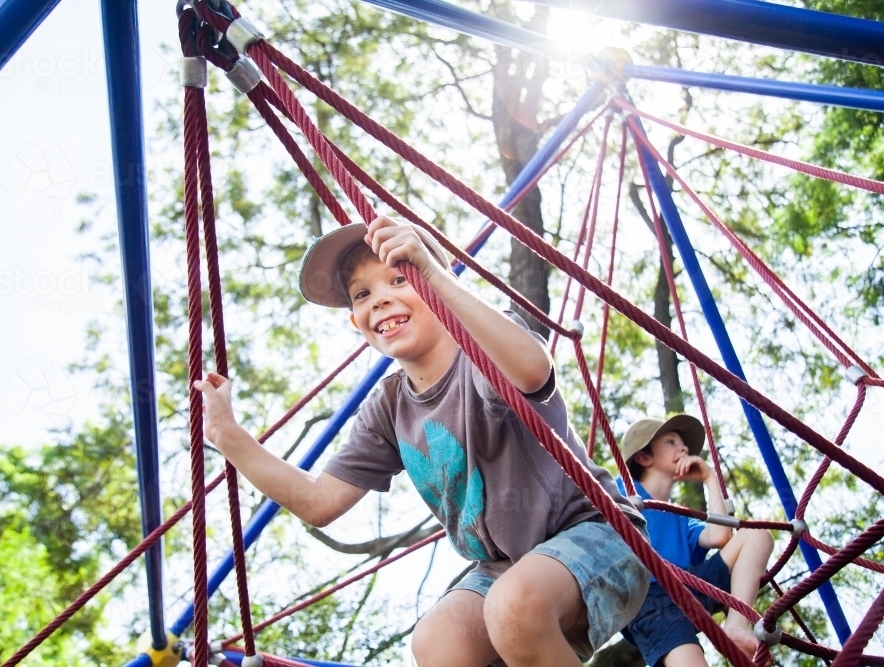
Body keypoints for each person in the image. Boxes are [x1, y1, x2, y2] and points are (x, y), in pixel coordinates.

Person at [195, 215, 650, 667]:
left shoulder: (482, 345)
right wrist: (228, 436)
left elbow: (532, 370)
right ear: (356, 322)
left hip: (597, 534)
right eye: (363, 294)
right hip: (504, 569)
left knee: (513, 607)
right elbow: (320, 502)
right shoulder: (388, 407)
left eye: (399, 276)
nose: (381, 299)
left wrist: (432, 271)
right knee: (437, 643)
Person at [618, 415, 775, 666]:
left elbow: (721, 536)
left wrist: (709, 477)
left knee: (757, 535)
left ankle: (736, 625)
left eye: (682, 443)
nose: (683, 448)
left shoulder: (679, 517)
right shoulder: (619, 492)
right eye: (671, 442)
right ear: (644, 457)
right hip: (648, 602)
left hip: (689, 587)